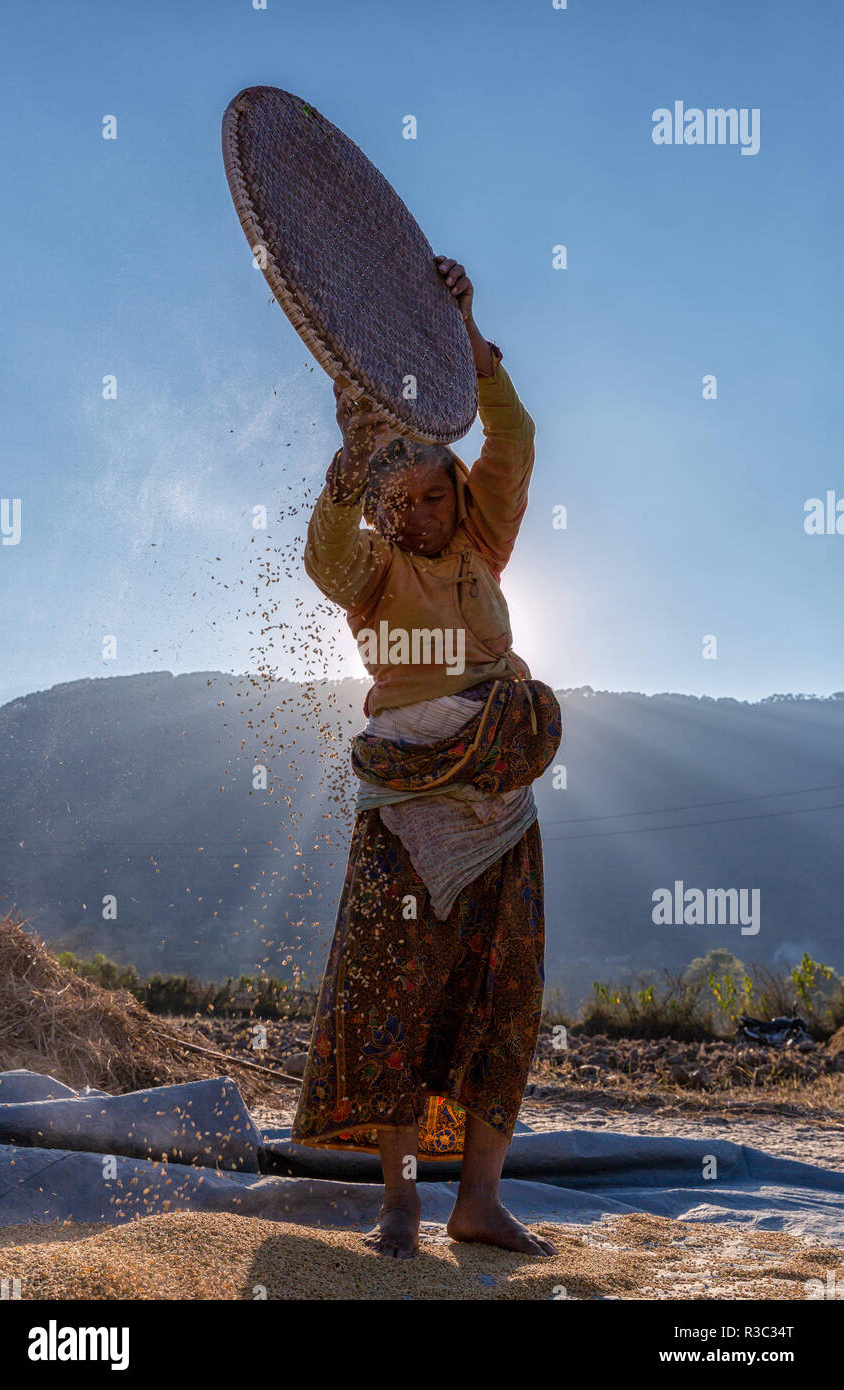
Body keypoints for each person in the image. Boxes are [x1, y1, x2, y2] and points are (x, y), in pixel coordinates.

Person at [291, 256, 562, 1258]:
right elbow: (326, 556)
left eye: (431, 492)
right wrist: (341, 475)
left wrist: (466, 341)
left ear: (454, 486)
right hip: (404, 801)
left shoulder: (482, 548)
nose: (418, 510)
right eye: (395, 498)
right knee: (391, 987)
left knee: (505, 989)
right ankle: (399, 1199)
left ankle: (477, 1200)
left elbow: (515, 436)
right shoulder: (373, 571)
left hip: (502, 796)